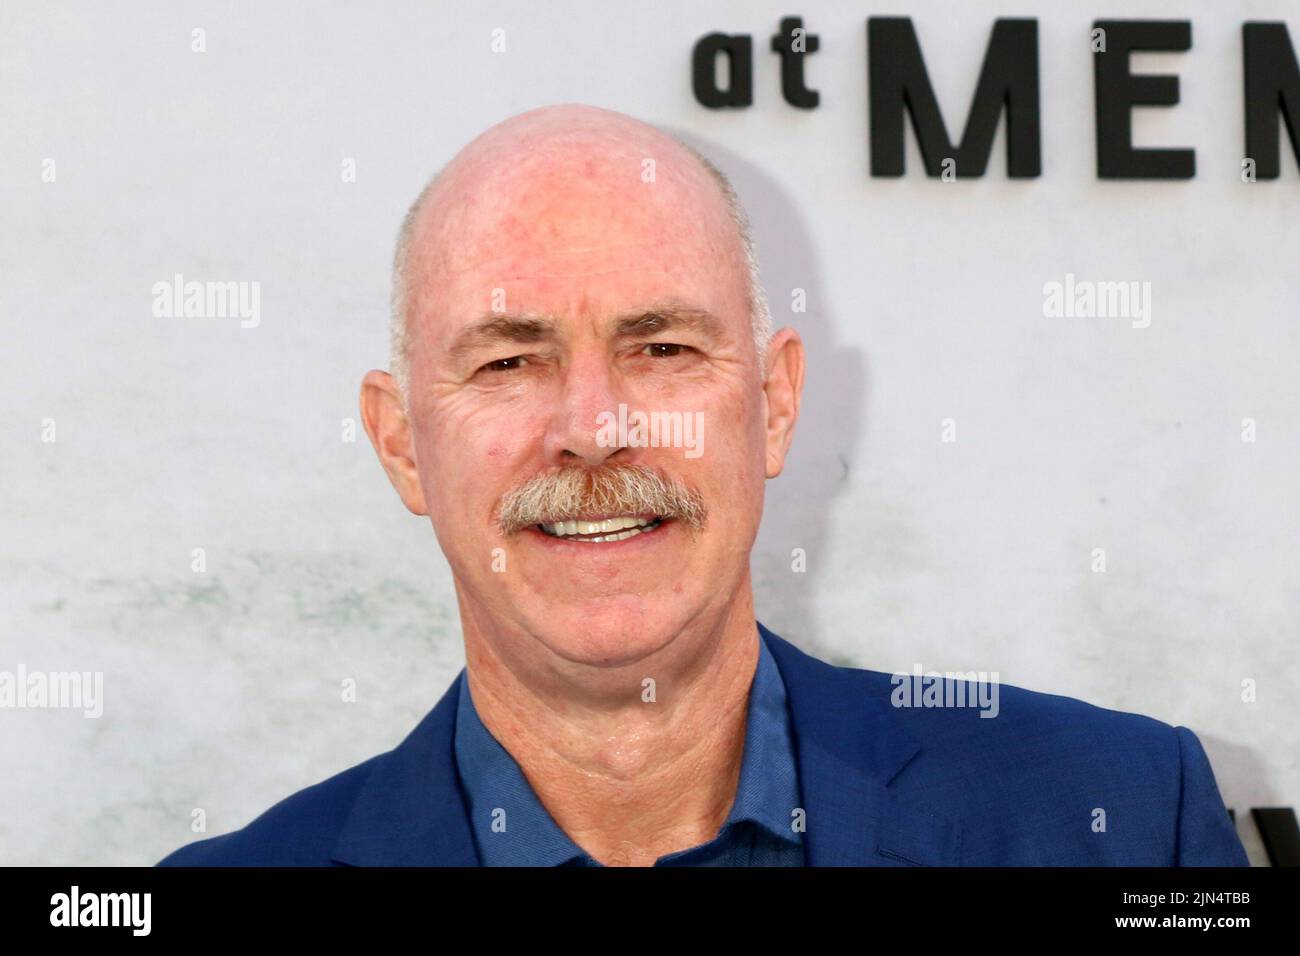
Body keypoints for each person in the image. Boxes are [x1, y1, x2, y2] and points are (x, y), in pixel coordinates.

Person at [158, 103, 1247, 867]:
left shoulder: (1119, 818)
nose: (593, 429)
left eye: (663, 348)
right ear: (401, 444)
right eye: (507, 361)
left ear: (772, 405)